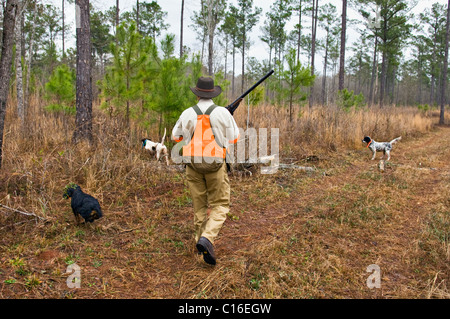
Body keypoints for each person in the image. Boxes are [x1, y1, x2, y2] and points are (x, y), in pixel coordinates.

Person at [172, 76, 240, 265]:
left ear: (197, 94)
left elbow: (175, 137)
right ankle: (207, 239)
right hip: (215, 166)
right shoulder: (222, 113)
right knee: (220, 205)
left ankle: (200, 246)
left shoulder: (187, 113)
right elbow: (234, 138)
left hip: (192, 166)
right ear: (213, 94)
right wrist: (225, 120)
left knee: (199, 207)